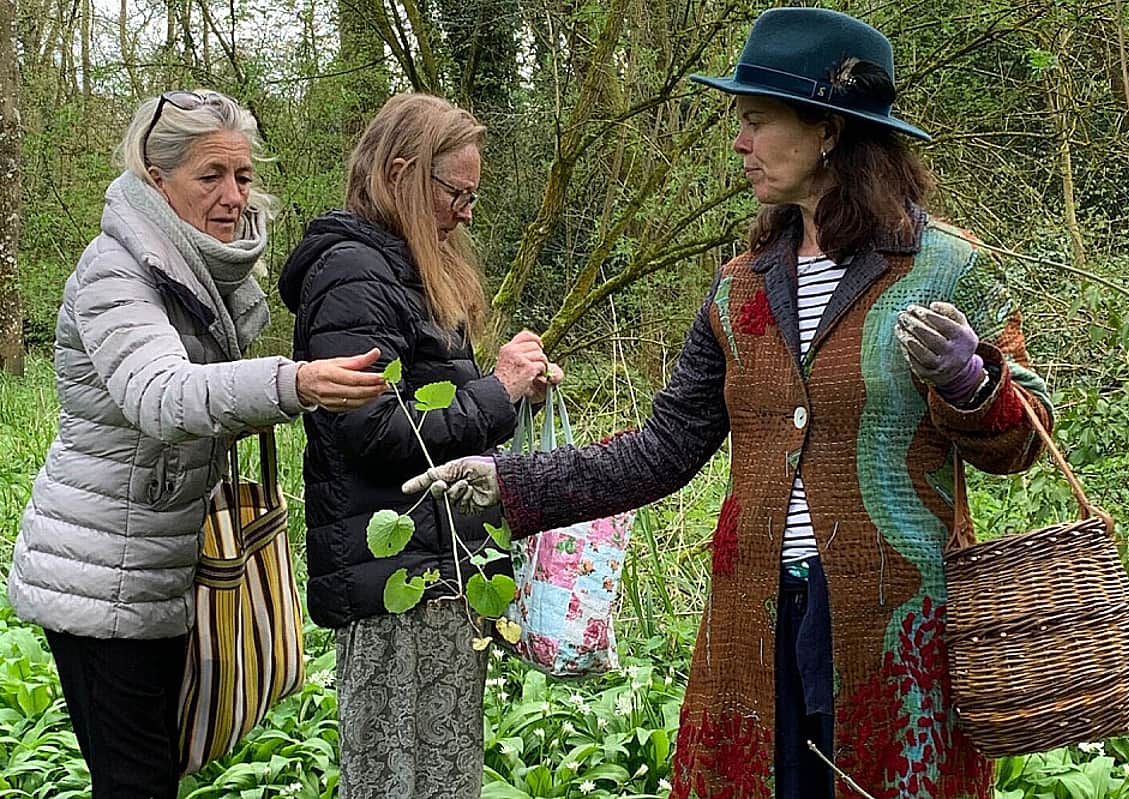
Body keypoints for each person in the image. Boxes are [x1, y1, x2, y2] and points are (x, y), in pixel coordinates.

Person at [403, 9, 1053, 799]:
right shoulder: (739, 287)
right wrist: (512, 484)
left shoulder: (946, 269)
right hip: (756, 624)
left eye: (755, 122)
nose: (738, 143)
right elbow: (664, 447)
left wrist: (970, 383)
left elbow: (1028, 440)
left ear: (828, 131)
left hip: (897, 629)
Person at [6, 91, 385, 798]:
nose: (234, 195)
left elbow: (211, 402)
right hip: (99, 577)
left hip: (162, 566)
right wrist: (294, 382)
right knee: (137, 782)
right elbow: (163, 396)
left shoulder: (198, 272)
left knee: (151, 775)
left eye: (242, 177)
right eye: (211, 175)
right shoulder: (114, 272)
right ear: (156, 179)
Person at [277, 93, 560, 799]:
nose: (467, 210)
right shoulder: (350, 272)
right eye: (456, 192)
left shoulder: (401, 264)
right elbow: (372, 431)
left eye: (473, 193)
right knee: (393, 780)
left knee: (439, 777)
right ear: (402, 172)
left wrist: (516, 391)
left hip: (435, 578)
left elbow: (433, 406)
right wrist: (496, 388)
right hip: (391, 587)